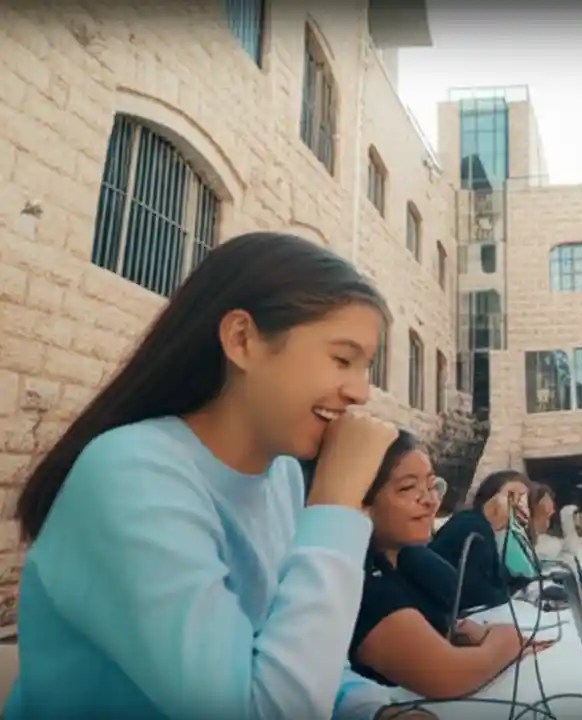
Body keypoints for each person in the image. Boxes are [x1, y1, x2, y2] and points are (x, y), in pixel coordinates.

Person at [5, 232, 429, 719]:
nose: (359, 392)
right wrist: (335, 508)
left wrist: (375, 709)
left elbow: (295, 653)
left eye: (366, 367)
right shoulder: (132, 473)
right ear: (242, 340)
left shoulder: (283, 476)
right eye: (342, 359)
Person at [351, 430, 550, 699]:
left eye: (432, 485)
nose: (430, 500)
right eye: (409, 488)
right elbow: (447, 675)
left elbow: (451, 616)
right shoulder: (357, 578)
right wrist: (504, 642)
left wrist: (462, 634)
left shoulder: (408, 558)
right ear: (360, 499)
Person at [430, 470, 533, 610]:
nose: (517, 504)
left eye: (522, 497)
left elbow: (497, 576)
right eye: (511, 495)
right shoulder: (472, 527)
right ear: (491, 497)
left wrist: (524, 583)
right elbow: (475, 592)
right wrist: (509, 596)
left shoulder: (483, 526)